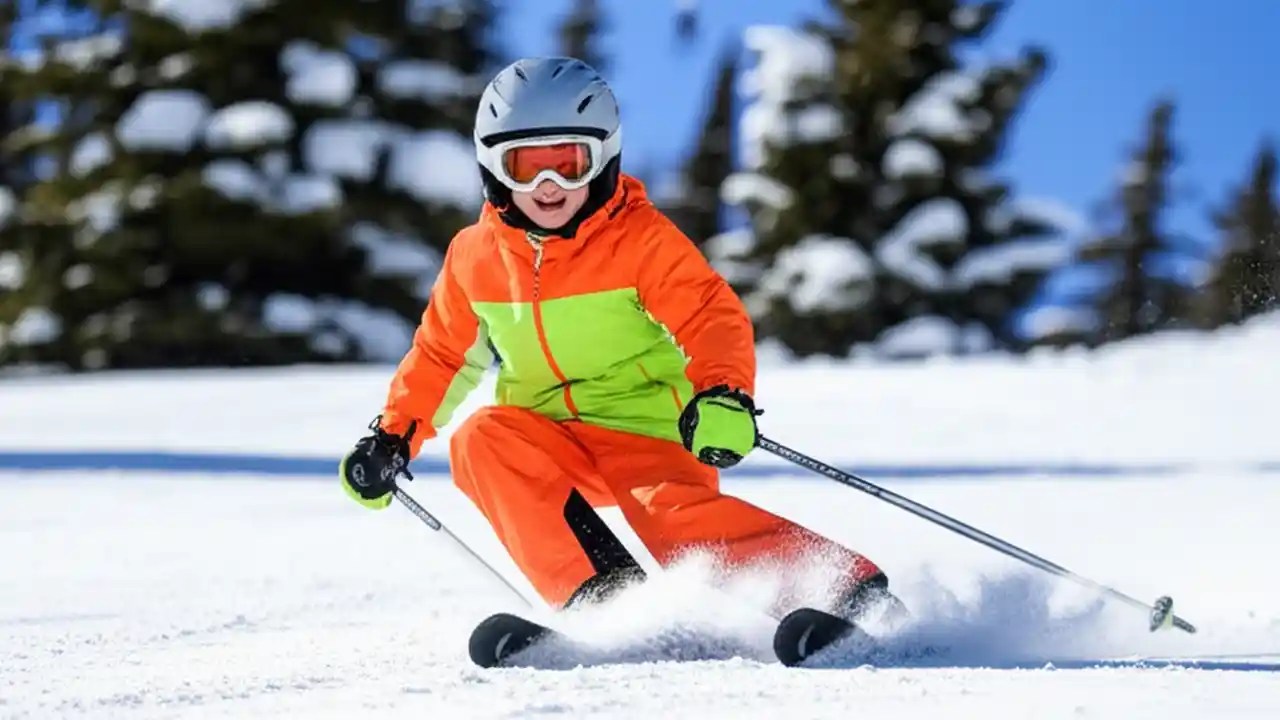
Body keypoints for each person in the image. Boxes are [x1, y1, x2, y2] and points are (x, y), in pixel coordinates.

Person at [339, 57, 897, 620]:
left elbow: (708, 314)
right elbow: (440, 354)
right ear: (494, 168)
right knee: (480, 439)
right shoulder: (474, 256)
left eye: (568, 162)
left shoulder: (639, 240)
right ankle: (611, 606)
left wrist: (723, 392)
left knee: (675, 526)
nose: (549, 185)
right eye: (527, 165)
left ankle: (845, 595)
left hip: (649, 435)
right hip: (550, 441)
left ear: (603, 158)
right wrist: (392, 439)